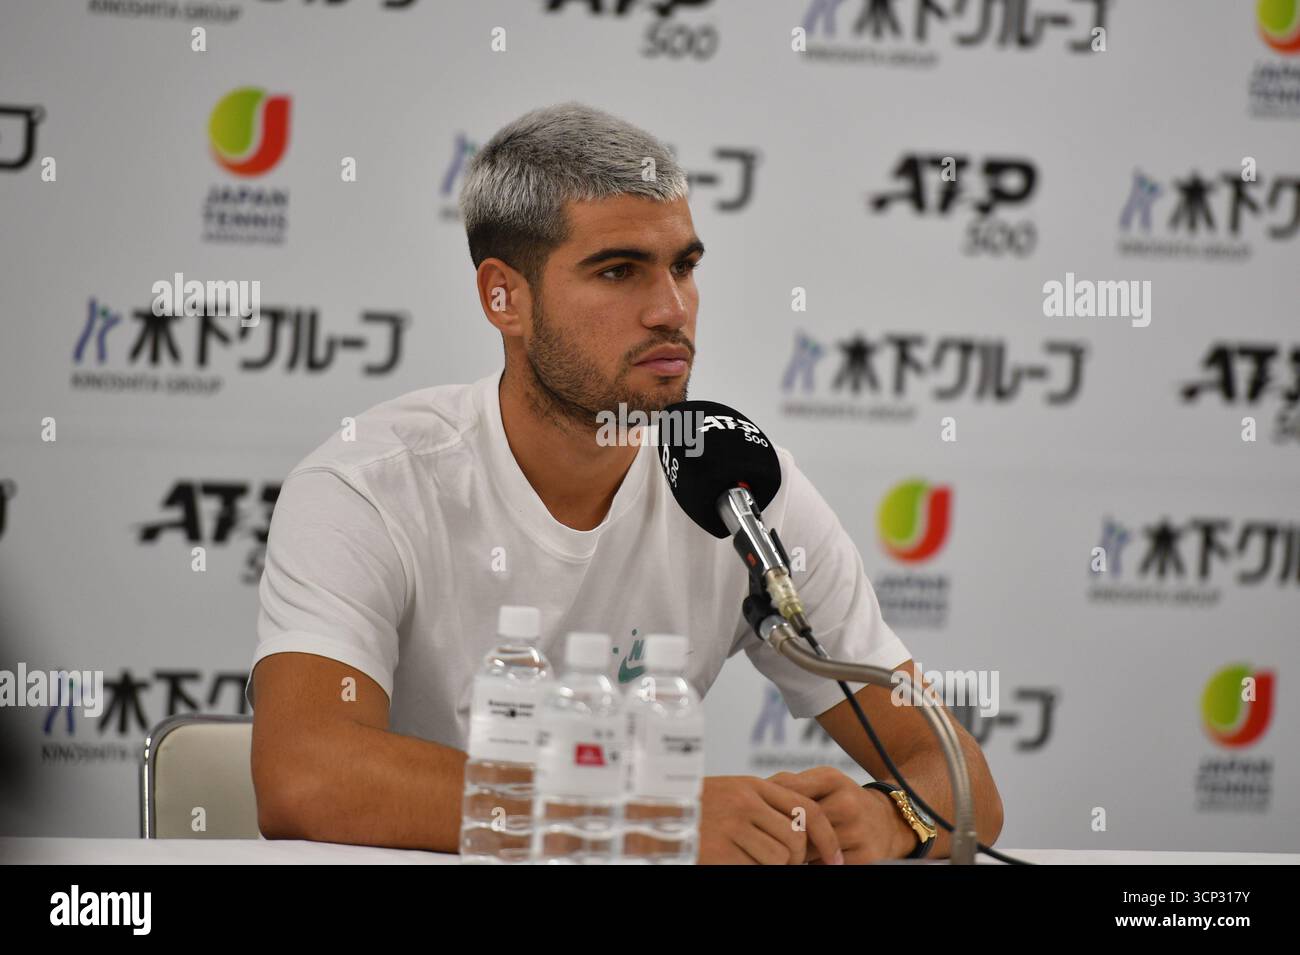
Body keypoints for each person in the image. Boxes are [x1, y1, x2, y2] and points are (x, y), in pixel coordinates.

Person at [248, 102, 1003, 864]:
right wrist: (641, 816)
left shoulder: (735, 484)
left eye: (684, 265)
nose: (671, 309)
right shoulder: (369, 484)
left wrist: (892, 816)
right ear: (502, 296)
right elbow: (306, 773)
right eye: (618, 271)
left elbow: (957, 773)